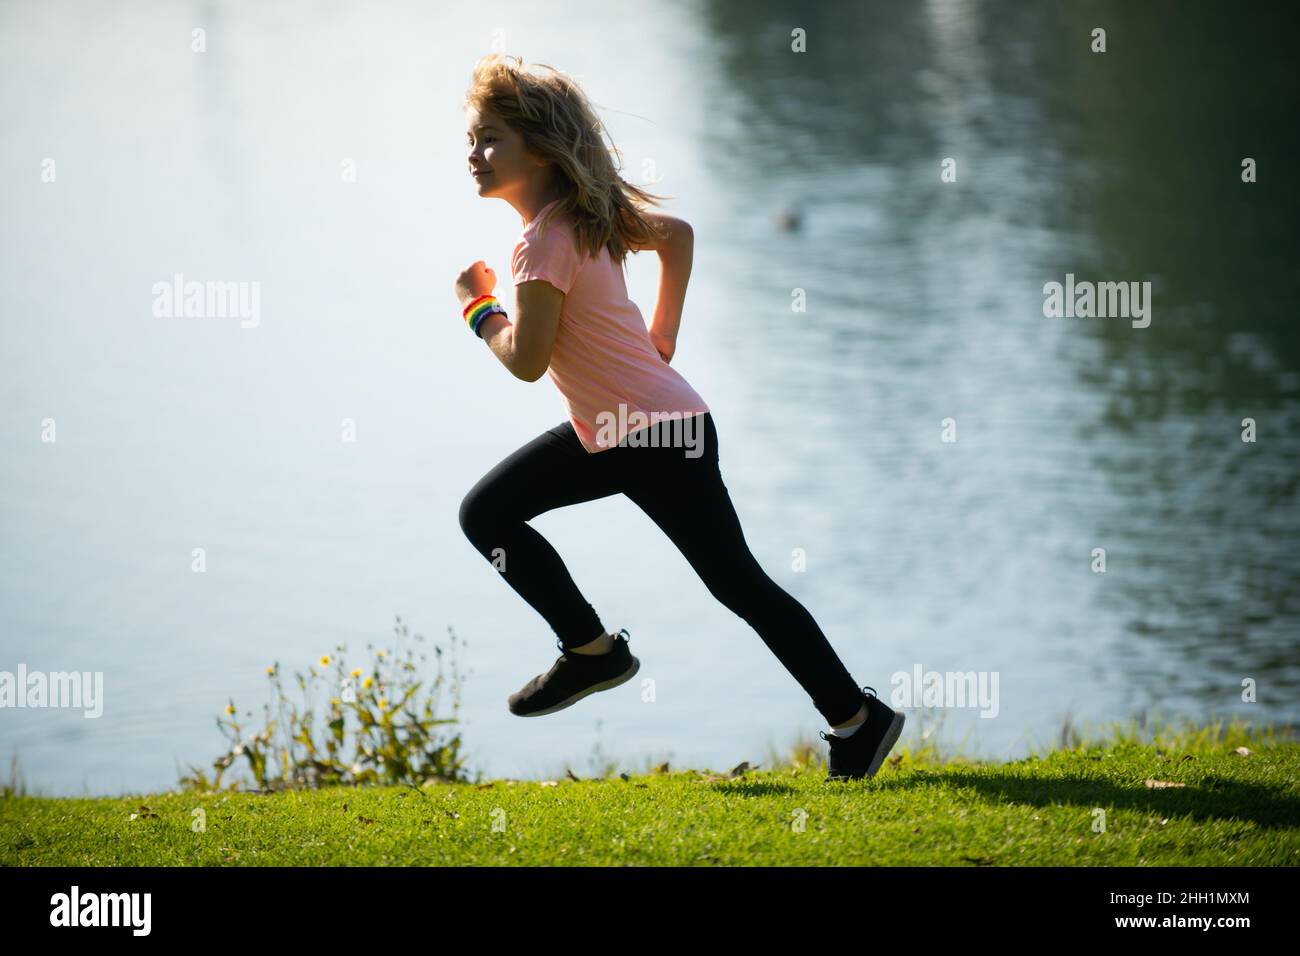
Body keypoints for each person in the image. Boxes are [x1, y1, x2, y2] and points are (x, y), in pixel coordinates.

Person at [453, 53, 903, 781]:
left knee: (733, 582)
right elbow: (679, 235)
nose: (473, 154)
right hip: (634, 429)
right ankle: (596, 654)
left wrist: (480, 310)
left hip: (651, 436)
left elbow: (527, 360)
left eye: (490, 139)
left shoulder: (543, 241)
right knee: (494, 514)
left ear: (538, 149)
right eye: (473, 139)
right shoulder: (584, 219)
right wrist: (663, 336)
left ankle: (851, 717)